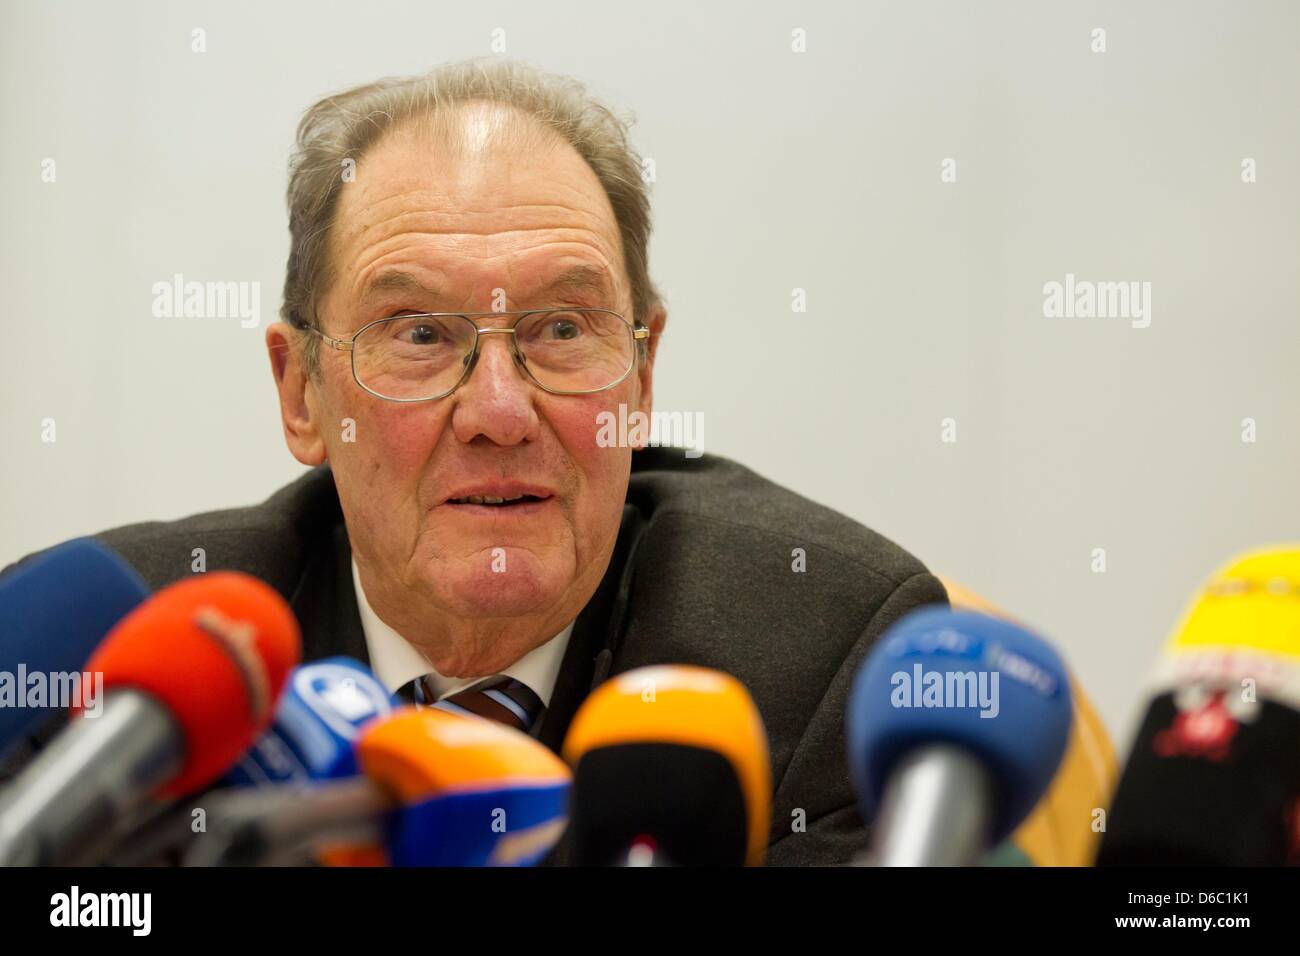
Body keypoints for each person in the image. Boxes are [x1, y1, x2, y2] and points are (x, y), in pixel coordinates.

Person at [0, 59, 947, 865]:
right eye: (418, 332)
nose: (500, 411)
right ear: (303, 397)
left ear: (643, 378)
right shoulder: (116, 679)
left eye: (563, 328)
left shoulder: (824, 657)